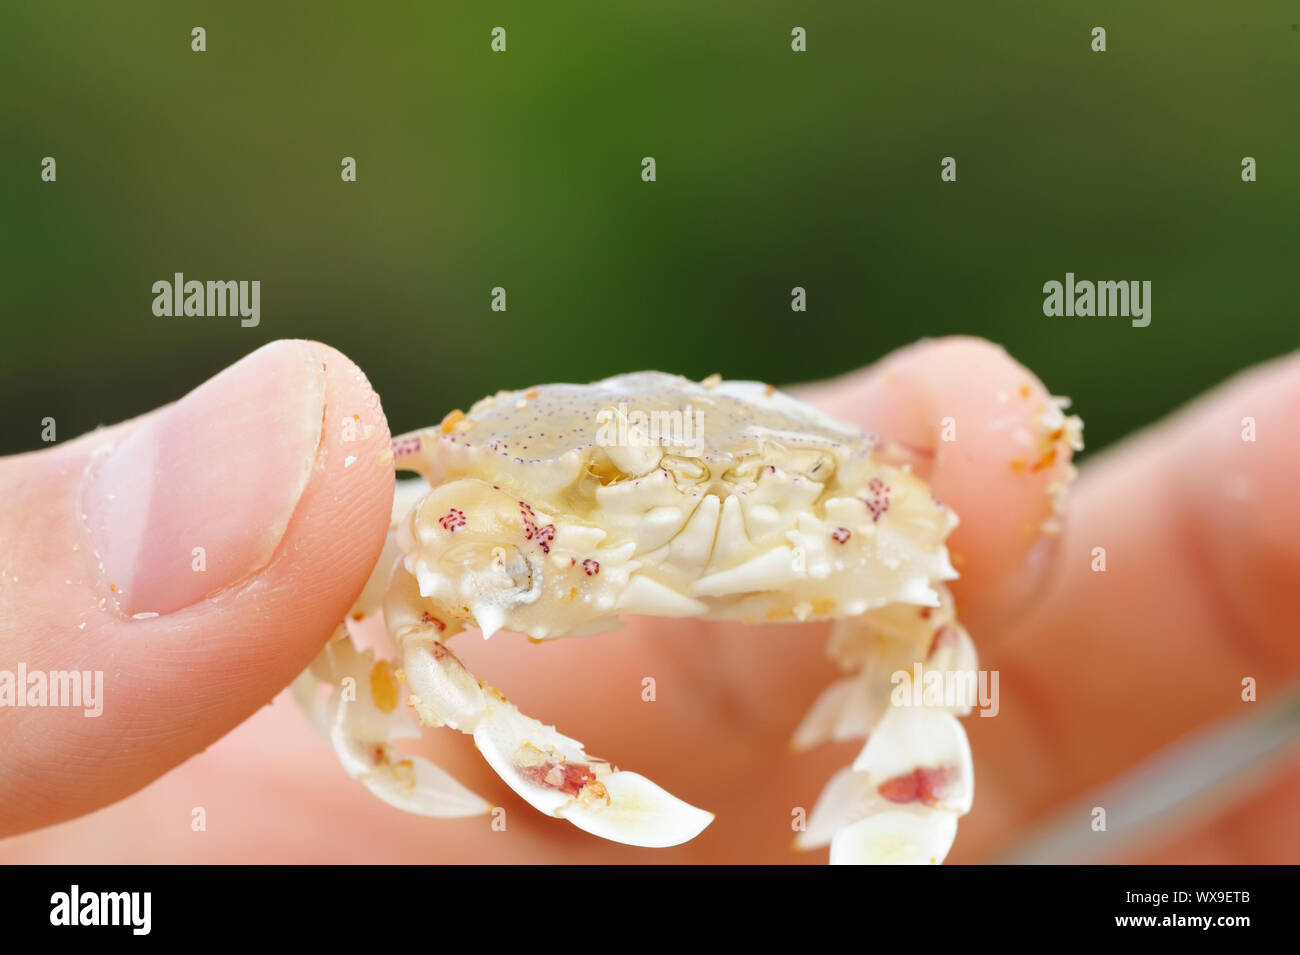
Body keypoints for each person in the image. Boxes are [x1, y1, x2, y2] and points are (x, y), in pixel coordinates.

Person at [1, 338, 1295, 863]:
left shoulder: (855, 500)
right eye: (630, 477)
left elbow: (942, 564)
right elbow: (361, 604)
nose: (686, 502)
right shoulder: (485, 493)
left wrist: (909, 632)